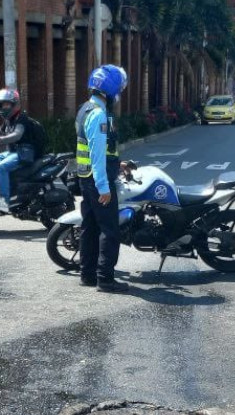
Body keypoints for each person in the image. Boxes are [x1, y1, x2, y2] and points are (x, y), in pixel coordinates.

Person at [75, 64, 130, 293]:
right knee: (109, 229)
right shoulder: (99, 115)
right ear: (110, 90)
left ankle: (87, 274)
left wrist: (119, 164)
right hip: (98, 180)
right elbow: (97, 155)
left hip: (85, 178)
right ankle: (105, 278)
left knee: (89, 227)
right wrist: (103, 187)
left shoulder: (85, 109)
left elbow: (96, 150)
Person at [0, 89, 41, 212]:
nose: (4, 107)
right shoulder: (9, 119)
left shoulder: (21, 118)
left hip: (24, 152)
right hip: (12, 152)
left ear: (14, 104)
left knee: (1, 167)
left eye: (7, 104)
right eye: (2, 105)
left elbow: (16, 135)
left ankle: (4, 200)